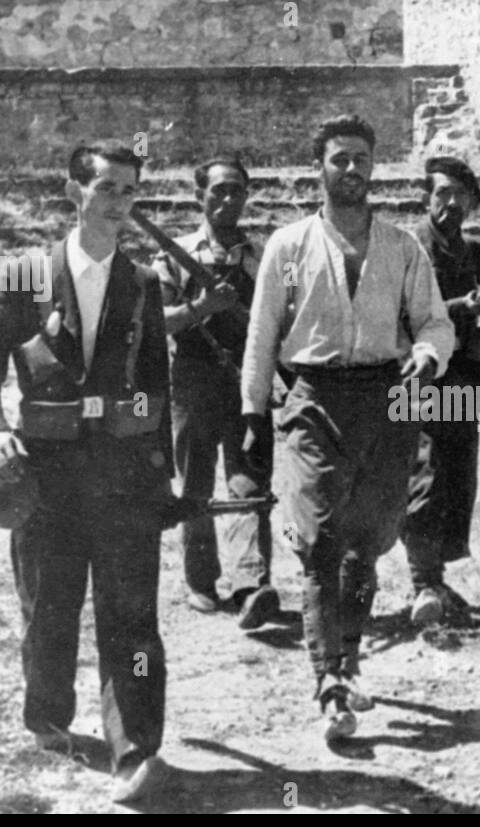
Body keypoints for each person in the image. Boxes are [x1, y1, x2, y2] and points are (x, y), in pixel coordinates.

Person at [0, 140, 172, 802]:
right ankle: (49, 717)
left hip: (121, 478)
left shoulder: (141, 285)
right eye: (106, 189)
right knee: (48, 608)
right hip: (45, 476)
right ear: (74, 193)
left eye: (129, 192)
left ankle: (135, 746)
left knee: (130, 616)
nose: (118, 203)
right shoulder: (25, 276)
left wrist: (161, 478)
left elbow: (158, 387)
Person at [240, 115, 455, 742]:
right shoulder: (288, 247)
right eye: (340, 160)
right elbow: (262, 337)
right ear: (320, 167)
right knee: (319, 540)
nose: (352, 170)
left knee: (368, 540)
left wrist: (427, 357)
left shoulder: (401, 248)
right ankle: (328, 682)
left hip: (387, 400)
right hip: (314, 400)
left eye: (362, 159)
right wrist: (254, 414)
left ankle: (352, 657)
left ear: (374, 166)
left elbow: (436, 323)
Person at [154, 154, 279, 628]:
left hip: (248, 380)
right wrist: (203, 308)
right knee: (197, 482)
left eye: (237, 191)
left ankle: (251, 585)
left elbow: (284, 312)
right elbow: (156, 320)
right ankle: (200, 581)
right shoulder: (172, 255)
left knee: (249, 479)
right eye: (218, 190)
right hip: (192, 380)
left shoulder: (264, 257)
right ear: (199, 197)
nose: (229, 200)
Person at [400, 155, 480, 625]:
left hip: (464, 375)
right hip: (419, 376)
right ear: (426, 199)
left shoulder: (475, 252)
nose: (452, 203)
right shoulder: (411, 249)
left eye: (461, 195)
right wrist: (463, 304)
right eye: (442, 194)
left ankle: (436, 577)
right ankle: (422, 580)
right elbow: (407, 311)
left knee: (458, 471)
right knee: (424, 471)